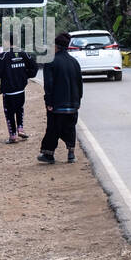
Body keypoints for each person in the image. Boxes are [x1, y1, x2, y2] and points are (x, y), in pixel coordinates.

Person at [38, 31, 83, 163]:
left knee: (53, 129)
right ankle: (71, 154)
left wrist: (49, 102)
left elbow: (49, 85)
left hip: (57, 104)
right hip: (72, 103)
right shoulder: (74, 62)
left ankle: (48, 155)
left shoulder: (50, 62)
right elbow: (79, 83)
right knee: (70, 128)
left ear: (56, 46)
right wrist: (78, 100)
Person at [0, 41, 38, 143]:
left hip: (9, 91)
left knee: (9, 113)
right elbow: (34, 67)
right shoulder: (23, 53)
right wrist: (26, 75)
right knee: (19, 109)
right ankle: (20, 129)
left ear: (7, 42)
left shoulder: (3, 56)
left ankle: (13, 136)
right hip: (21, 90)